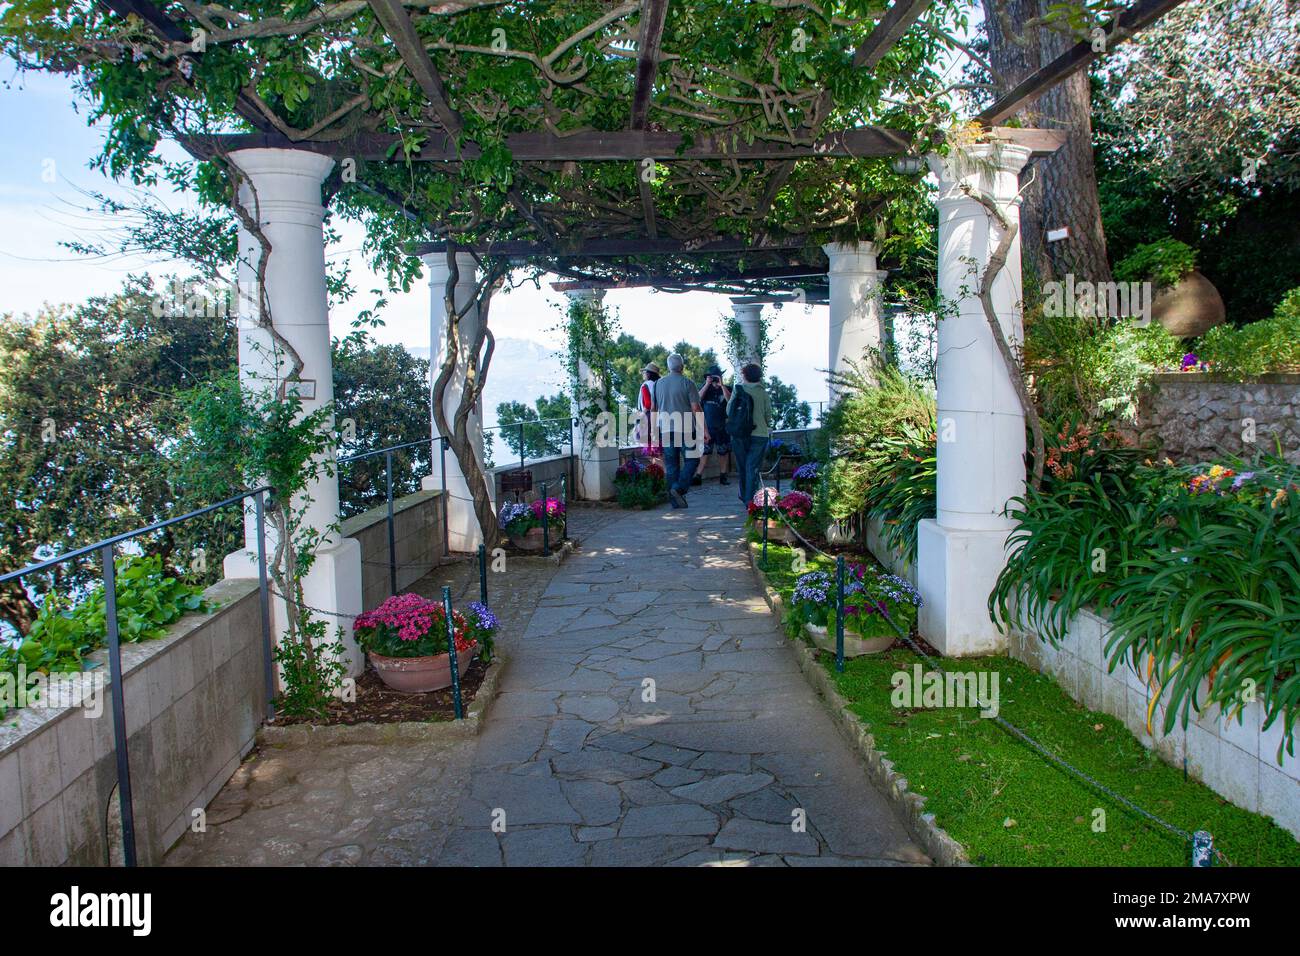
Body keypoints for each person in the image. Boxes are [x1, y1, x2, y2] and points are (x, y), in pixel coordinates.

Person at [650, 352, 709, 508]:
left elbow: (653, 409)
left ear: (668, 367)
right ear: (682, 367)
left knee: (671, 466)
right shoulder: (687, 383)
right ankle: (679, 488)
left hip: (666, 429)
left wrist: (654, 431)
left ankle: (675, 503)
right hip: (686, 428)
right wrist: (705, 430)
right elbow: (696, 408)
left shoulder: (658, 384)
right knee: (693, 460)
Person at [727, 362, 773, 507]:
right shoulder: (763, 392)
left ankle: (746, 496)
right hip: (759, 434)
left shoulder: (738, 390)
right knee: (752, 467)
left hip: (740, 434)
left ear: (745, 375)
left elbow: (729, 411)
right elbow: (768, 416)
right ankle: (749, 500)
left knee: (742, 467)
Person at [698, 364, 731, 486]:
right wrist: (707, 384)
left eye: (716, 377)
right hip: (708, 427)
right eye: (712, 377)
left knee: (723, 452)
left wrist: (722, 385)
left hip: (723, 426)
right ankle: (698, 475)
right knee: (704, 452)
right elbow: (697, 398)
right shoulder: (705, 389)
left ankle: (723, 475)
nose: (714, 379)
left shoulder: (727, 388)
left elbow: (730, 401)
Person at [637, 362, 661, 452]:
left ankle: (654, 465)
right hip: (659, 416)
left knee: (647, 447)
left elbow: (647, 404)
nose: (643, 374)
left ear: (648, 373)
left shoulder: (645, 385)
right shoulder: (659, 384)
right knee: (656, 446)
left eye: (644, 372)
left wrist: (641, 415)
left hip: (648, 416)